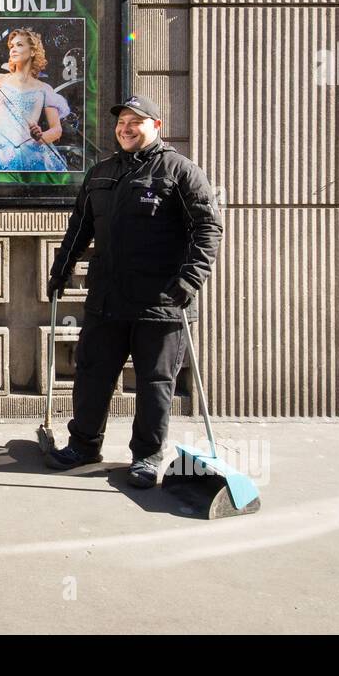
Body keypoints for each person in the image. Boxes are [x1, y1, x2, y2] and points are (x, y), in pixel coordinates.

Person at [44, 95, 223, 488]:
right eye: (122, 121)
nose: (126, 128)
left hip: (160, 302)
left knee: (154, 382)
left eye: (136, 121)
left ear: (155, 127)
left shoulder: (181, 171)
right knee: (92, 374)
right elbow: (79, 228)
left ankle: (146, 456)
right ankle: (84, 444)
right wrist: (61, 270)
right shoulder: (102, 172)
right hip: (106, 299)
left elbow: (208, 229)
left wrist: (190, 279)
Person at [0, 29, 68, 172]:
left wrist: (41, 137)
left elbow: (57, 130)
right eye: (12, 46)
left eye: (19, 45)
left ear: (33, 52)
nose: (13, 50)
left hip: (32, 149)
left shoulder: (45, 89)